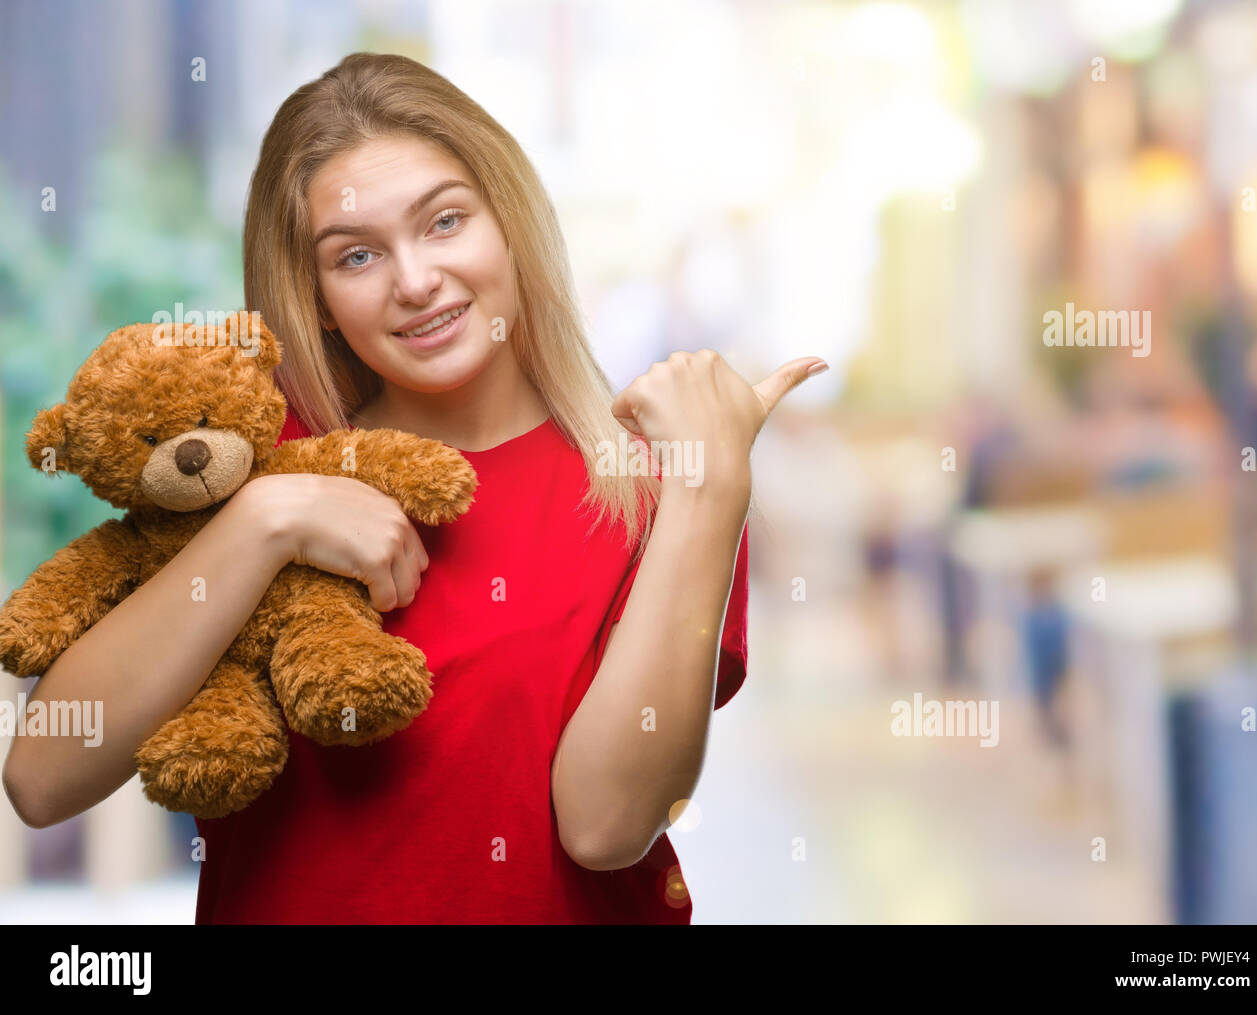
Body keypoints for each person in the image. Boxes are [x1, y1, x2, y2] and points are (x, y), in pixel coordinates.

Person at [3, 52, 827, 923]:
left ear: (507, 221)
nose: (415, 280)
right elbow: (41, 776)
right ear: (316, 296)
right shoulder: (249, 455)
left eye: (443, 222)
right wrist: (264, 521)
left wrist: (713, 487)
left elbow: (606, 823)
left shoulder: (654, 490)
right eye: (356, 254)